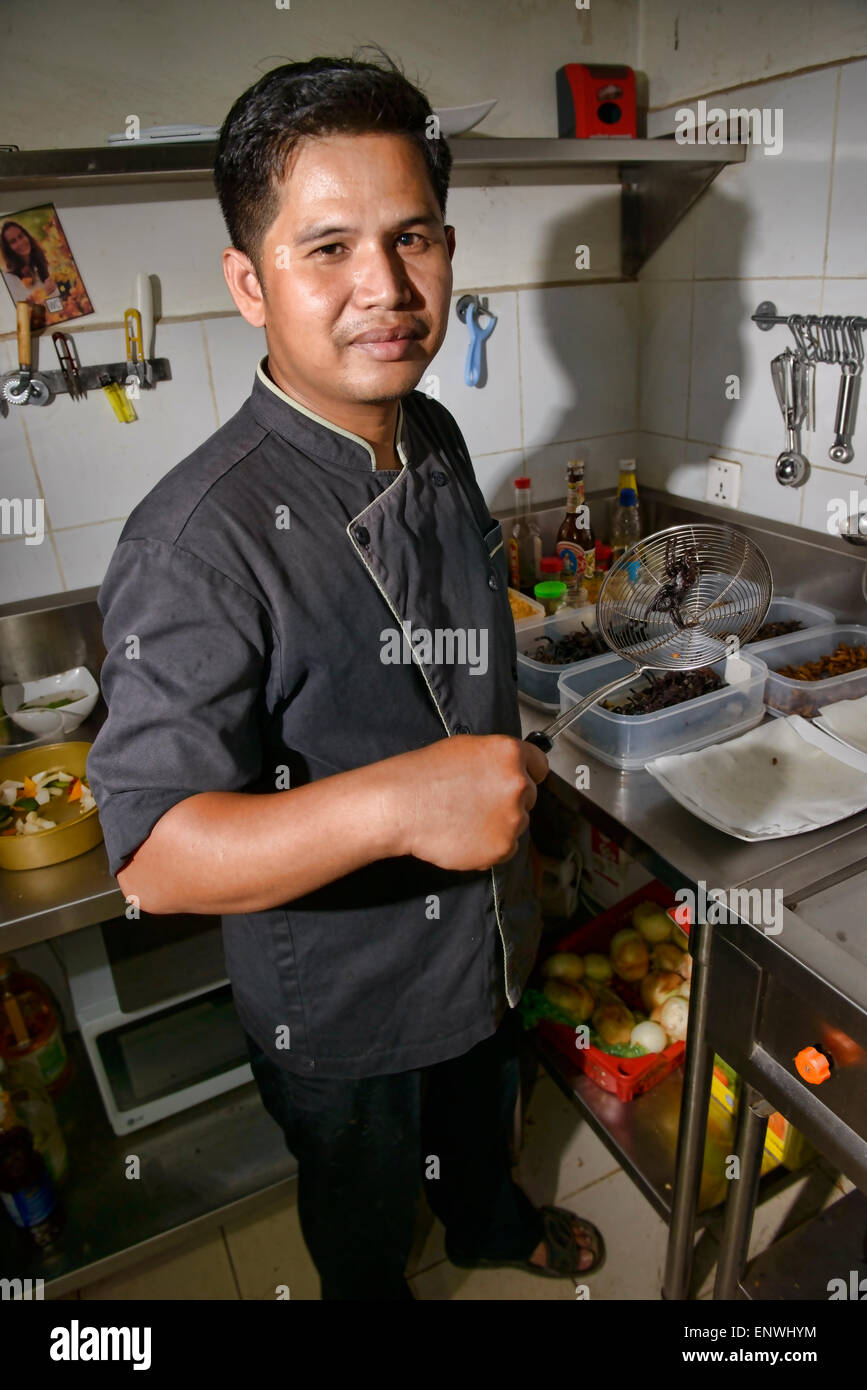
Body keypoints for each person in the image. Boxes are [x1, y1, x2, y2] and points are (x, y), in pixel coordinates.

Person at [86, 48, 605, 1300]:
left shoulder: (424, 425)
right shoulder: (193, 539)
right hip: (346, 998)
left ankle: (487, 1225)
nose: (385, 288)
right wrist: (402, 804)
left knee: (484, 1129)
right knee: (367, 1218)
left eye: (412, 237)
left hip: (484, 938)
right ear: (248, 282)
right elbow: (151, 851)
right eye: (327, 249)